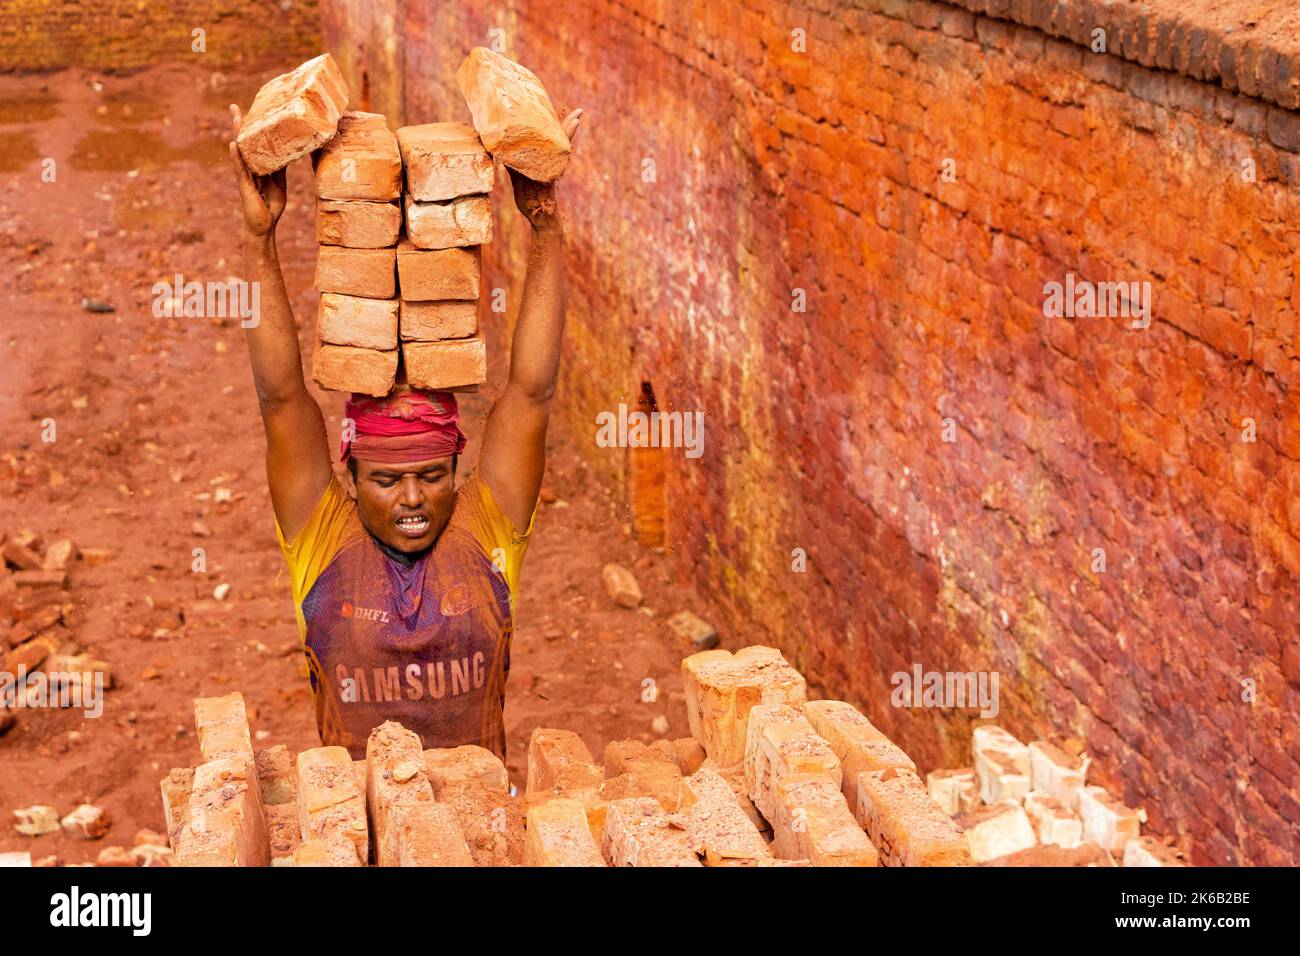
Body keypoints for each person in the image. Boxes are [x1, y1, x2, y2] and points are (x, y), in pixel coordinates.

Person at [227, 101, 583, 760]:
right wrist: (259, 239)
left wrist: (546, 230)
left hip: (477, 833)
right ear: (351, 476)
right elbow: (280, 398)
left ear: (458, 468)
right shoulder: (323, 541)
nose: (413, 499)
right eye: (387, 480)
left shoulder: (485, 530)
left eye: (431, 476)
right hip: (361, 836)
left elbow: (532, 392)